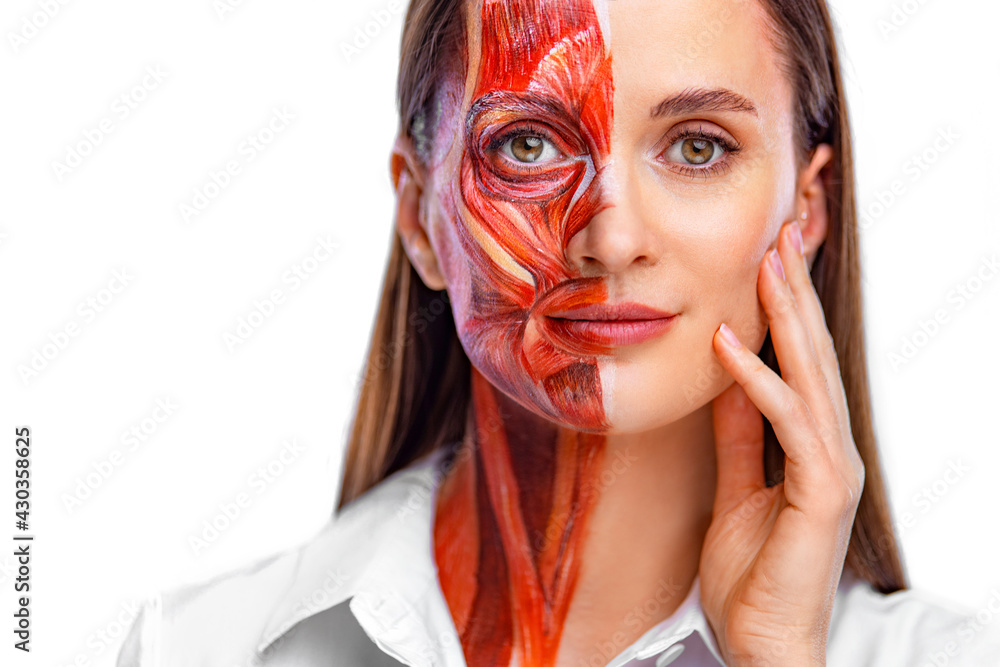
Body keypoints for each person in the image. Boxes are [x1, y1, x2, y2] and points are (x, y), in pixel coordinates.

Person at [116, 0, 1000, 665]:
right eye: (527, 148)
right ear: (421, 217)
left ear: (805, 213)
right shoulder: (195, 647)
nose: (612, 237)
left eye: (698, 147)